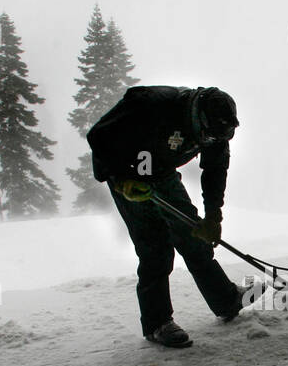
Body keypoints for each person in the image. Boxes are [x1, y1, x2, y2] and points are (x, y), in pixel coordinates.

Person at [87, 86, 244, 348]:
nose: (211, 142)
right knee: (155, 247)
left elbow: (215, 169)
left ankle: (226, 301)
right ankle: (157, 323)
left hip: (161, 172)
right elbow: (99, 137)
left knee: (194, 236)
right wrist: (120, 178)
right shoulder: (150, 105)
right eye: (208, 137)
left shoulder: (217, 130)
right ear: (198, 119)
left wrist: (213, 216)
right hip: (128, 173)